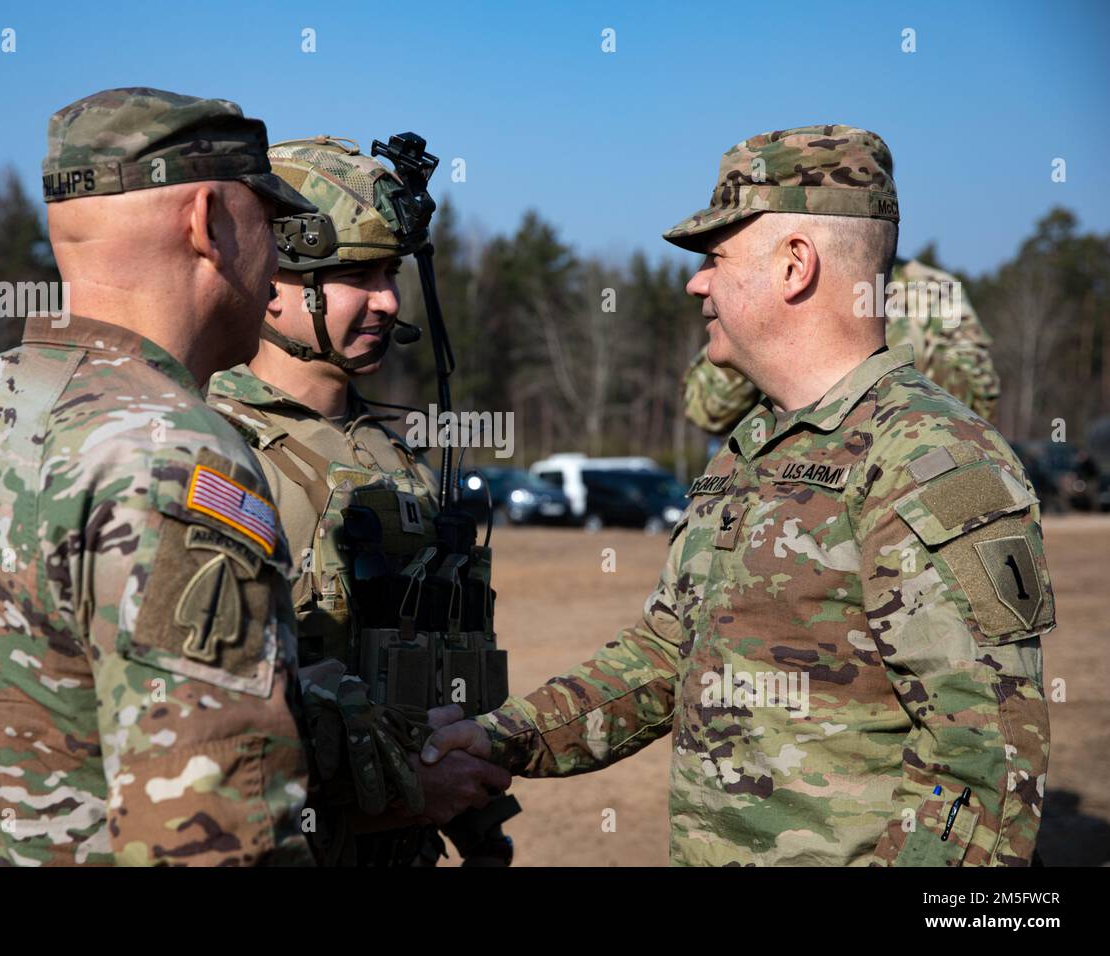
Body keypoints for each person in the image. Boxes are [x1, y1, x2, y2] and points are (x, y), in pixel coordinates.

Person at [423, 125, 1055, 866]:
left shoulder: (932, 460)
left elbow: (985, 771)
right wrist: (508, 735)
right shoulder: (749, 449)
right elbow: (668, 653)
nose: (696, 283)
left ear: (795, 265)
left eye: (717, 258)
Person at [0, 87, 321, 865]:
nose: (278, 264)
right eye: (269, 225)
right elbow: (206, 836)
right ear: (207, 223)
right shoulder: (177, 451)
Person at [205, 136, 517, 866]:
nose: (387, 301)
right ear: (271, 281)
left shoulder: (395, 453)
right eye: (356, 275)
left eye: (391, 272)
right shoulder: (212, 449)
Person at [683, 256, 1000, 434]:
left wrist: (877, 343)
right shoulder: (765, 289)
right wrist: (758, 328)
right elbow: (707, 409)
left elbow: (976, 407)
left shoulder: (929, 291)